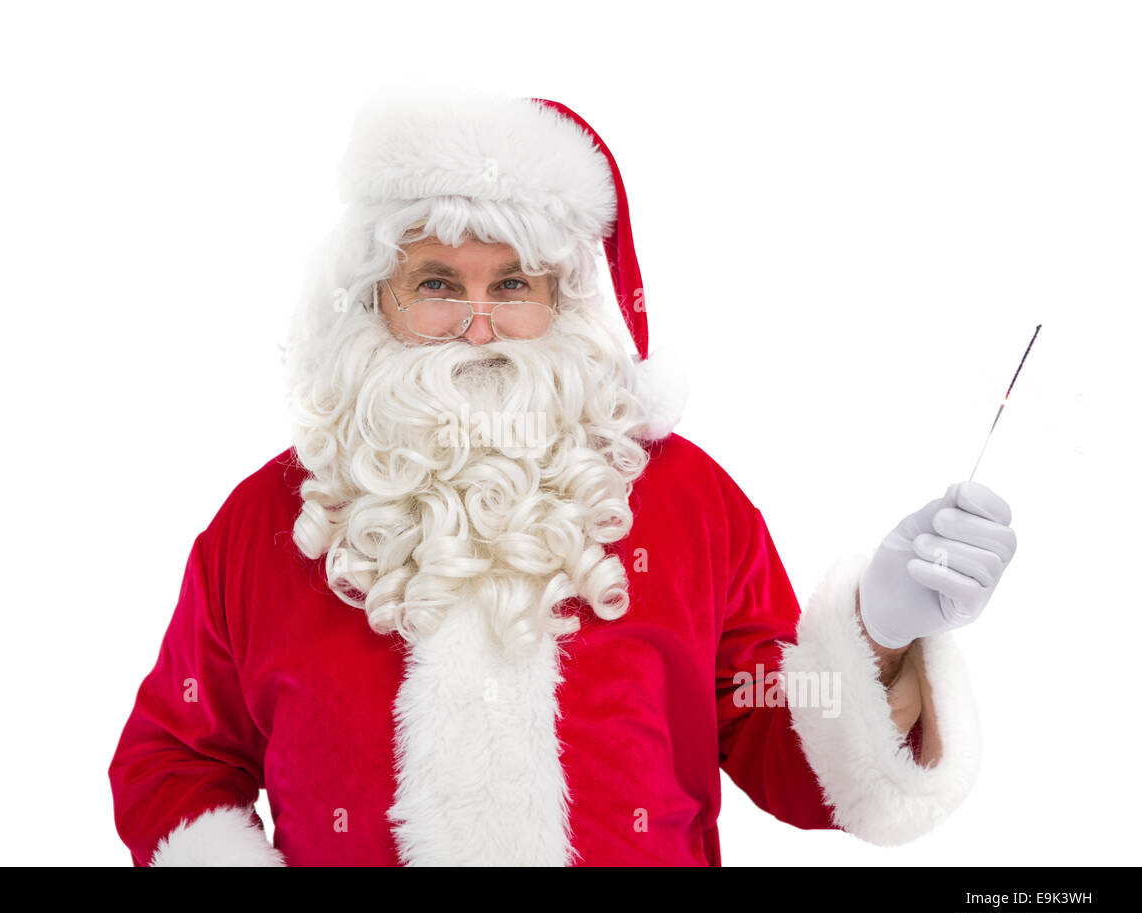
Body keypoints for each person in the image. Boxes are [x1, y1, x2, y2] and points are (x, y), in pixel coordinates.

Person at [107, 85, 1017, 866]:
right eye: (435, 284)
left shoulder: (684, 499)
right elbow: (174, 756)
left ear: (562, 301)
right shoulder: (269, 522)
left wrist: (877, 638)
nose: (477, 325)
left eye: (512, 286)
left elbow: (778, 741)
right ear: (374, 300)